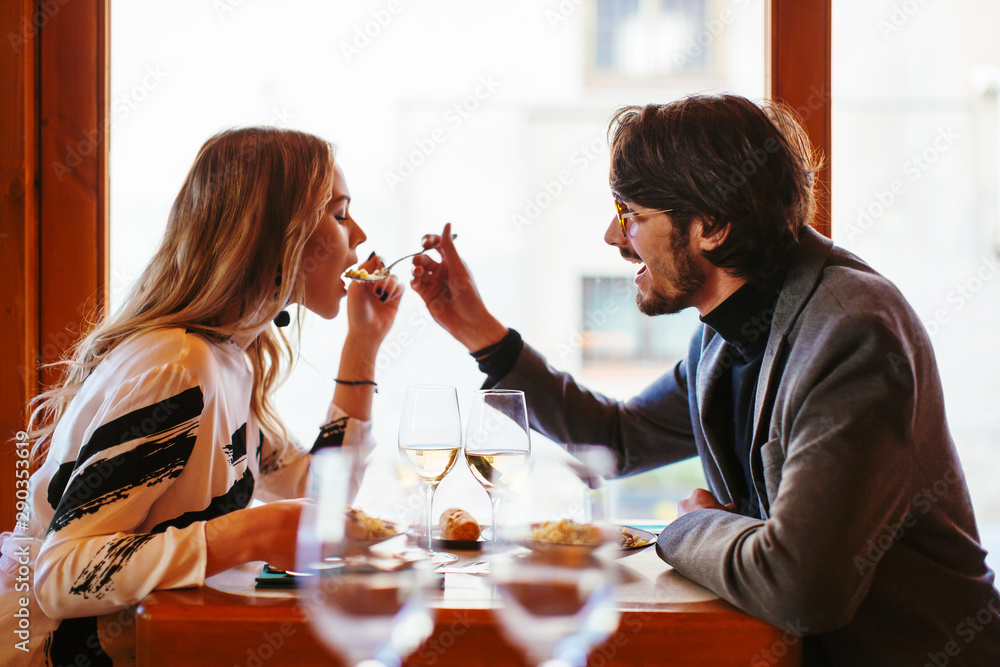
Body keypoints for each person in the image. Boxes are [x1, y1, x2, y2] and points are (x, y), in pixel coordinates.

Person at [410, 95, 1000, 666]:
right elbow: (618, 439)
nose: (614, 238)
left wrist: (691, 524)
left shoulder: (852, 331)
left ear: (712, 225)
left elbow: (801, 586)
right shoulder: (723, 330)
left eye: (630, 215)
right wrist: (480, 332)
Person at [0, 127, 404, 666]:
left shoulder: (230, 357)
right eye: (339, 213)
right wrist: (247, 533)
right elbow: (62, 574)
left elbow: (317, 493)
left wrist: (363, 343)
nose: (359, 235)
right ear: (274, 234)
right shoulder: (178, 367)